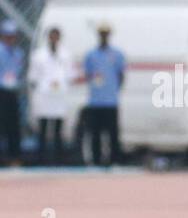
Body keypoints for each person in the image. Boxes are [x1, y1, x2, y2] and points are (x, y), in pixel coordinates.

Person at [28, 27, 75, 165]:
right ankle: (41, 159)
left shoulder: (66, 54)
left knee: (58, 128)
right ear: (48, 37)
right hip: (44, 94)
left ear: (59, 38)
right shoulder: (38, 55)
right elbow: (33, 77)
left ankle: (58, 159)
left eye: (56, 36)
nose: (54, 39)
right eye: (51, 36)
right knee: (43, 128)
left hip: (59, 95)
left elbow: (70, 74)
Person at [82, 23, 126, 167]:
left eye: (106, 34)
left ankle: (114, 159)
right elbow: (88, 75)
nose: (104, 36)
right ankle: (96, 159)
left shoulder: (117, 54)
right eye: (102, 34)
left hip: (110, 100)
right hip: (95, 100)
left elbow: (120, 75)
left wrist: (113, 89)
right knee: (95, 133)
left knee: (112, 133)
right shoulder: (91, 55)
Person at [0, 20, 25, 165]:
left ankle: (14, 157)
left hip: (13, 92)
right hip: (1, 90)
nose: (10, 39)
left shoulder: (18, 53)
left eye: (13, 36)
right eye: (7, 36)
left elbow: (19, 72)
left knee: (13, 125)